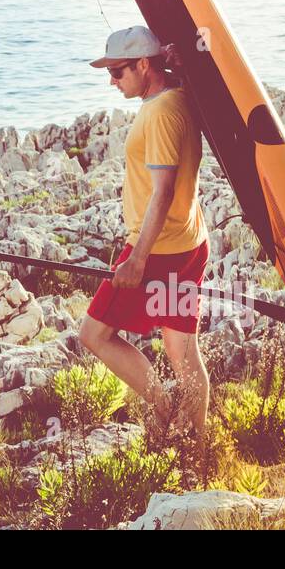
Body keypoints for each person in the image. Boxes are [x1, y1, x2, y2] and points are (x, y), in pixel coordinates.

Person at [77, 25, 211, 441]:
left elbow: (163, 191)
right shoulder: (177, 95)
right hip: (189, 240)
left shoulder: (159, 112)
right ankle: (198, 445)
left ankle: (165, 410)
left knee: (94, 334)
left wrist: (137, 259)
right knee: (182, 350)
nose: (112, 82)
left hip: (157, 248)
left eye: (118, 72)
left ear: (143, 64)